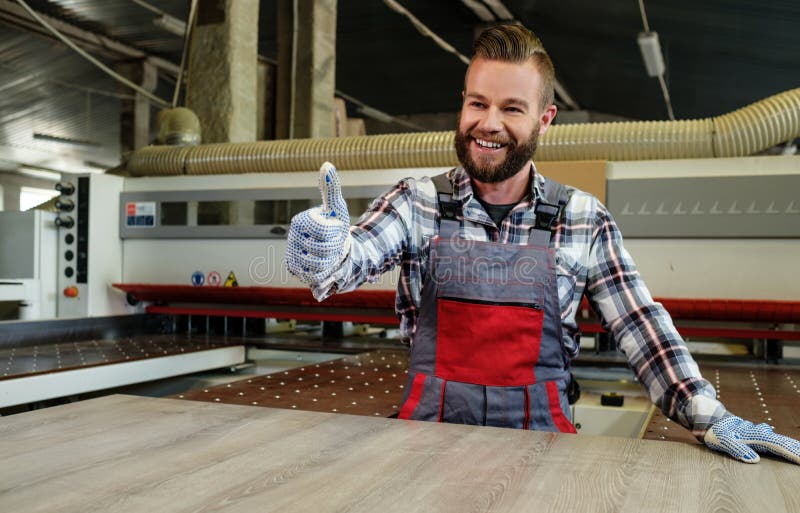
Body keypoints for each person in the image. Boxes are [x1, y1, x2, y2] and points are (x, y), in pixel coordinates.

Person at [285, 23, 800, 465]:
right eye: (477, 103)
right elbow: (348, 262)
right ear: (462, 105)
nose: (489, 123)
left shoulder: (581, 218)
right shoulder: (415, 203)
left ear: (544, 120)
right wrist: (326, 249)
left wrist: (708, 415)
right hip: (425, 454)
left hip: (545, 460)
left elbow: (641, 324)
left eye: (512, 108)